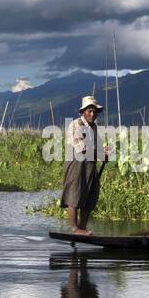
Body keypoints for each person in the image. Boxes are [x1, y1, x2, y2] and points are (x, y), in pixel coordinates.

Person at [62, 96, 108, 234]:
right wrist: (99, 154)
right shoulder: (76, 125)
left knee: (90, 195)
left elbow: (97, 146)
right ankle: (75, 228)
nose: (93, 114)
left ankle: (82, 227)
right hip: (76, 163)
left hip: (90, 164)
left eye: (95, 112)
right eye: (89, 111)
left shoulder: (93, 127)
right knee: (74, 194)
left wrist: (104, 153)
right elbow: (82, 149)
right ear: (83, 112)